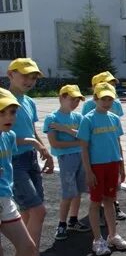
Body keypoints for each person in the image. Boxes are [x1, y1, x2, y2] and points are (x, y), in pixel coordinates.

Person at [6, 58, 61, 256]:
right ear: (11, 74)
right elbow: (4, 136)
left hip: (29, 158)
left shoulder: (28, 101)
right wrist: (32, 141)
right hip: (12, 161)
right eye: (25, 75)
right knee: (38, 211)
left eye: (33, 77)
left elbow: (31, 130)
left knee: (29, 213)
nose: (29, 81)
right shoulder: (3, 100)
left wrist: (44, 151)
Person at [0, 88, 52, 256]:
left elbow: (19, 141)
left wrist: (34, 142)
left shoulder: (8, 136)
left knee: (25, 246)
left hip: (5, 199)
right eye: (2, 112)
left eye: (11, 112)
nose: (8, 117)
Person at [78, 82, 126, 256]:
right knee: (95, 202)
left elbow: (118, 143)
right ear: (95, 99)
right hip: (97, 166)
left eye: (110, 99)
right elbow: (84, 148)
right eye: (104, 99)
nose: (107, 102)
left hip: (113, 165)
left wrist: (122, 168)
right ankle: (97, 240)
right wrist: (88, 171)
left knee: (110, 200)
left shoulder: (114, 118)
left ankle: (113, 235)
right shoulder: (88, 119)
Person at [43, 85, 91, 241]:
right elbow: (55, 143)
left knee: (77, 192)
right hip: (66, 159)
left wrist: (65, 129)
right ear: (62, 97)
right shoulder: (52, 118)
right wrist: (78, 142)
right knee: (68, 193)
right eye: (72, 99)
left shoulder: (78, 118)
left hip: (81, 157)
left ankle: (73, 220)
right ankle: (62, 224)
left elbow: (85, 137)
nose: (75, 103)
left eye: (78, 100)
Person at [82, 71, 126, 220]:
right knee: (97, 198)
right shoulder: (89, 109)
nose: (112, 85)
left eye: (113, 83)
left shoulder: (115, 107)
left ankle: (114, 206)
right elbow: (86, 141)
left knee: (111, 193)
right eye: (108, 83)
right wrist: (88, 170)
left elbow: (115, 136)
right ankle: (101, 212)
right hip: (97, 160)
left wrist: (122, 164)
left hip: (112, 158)